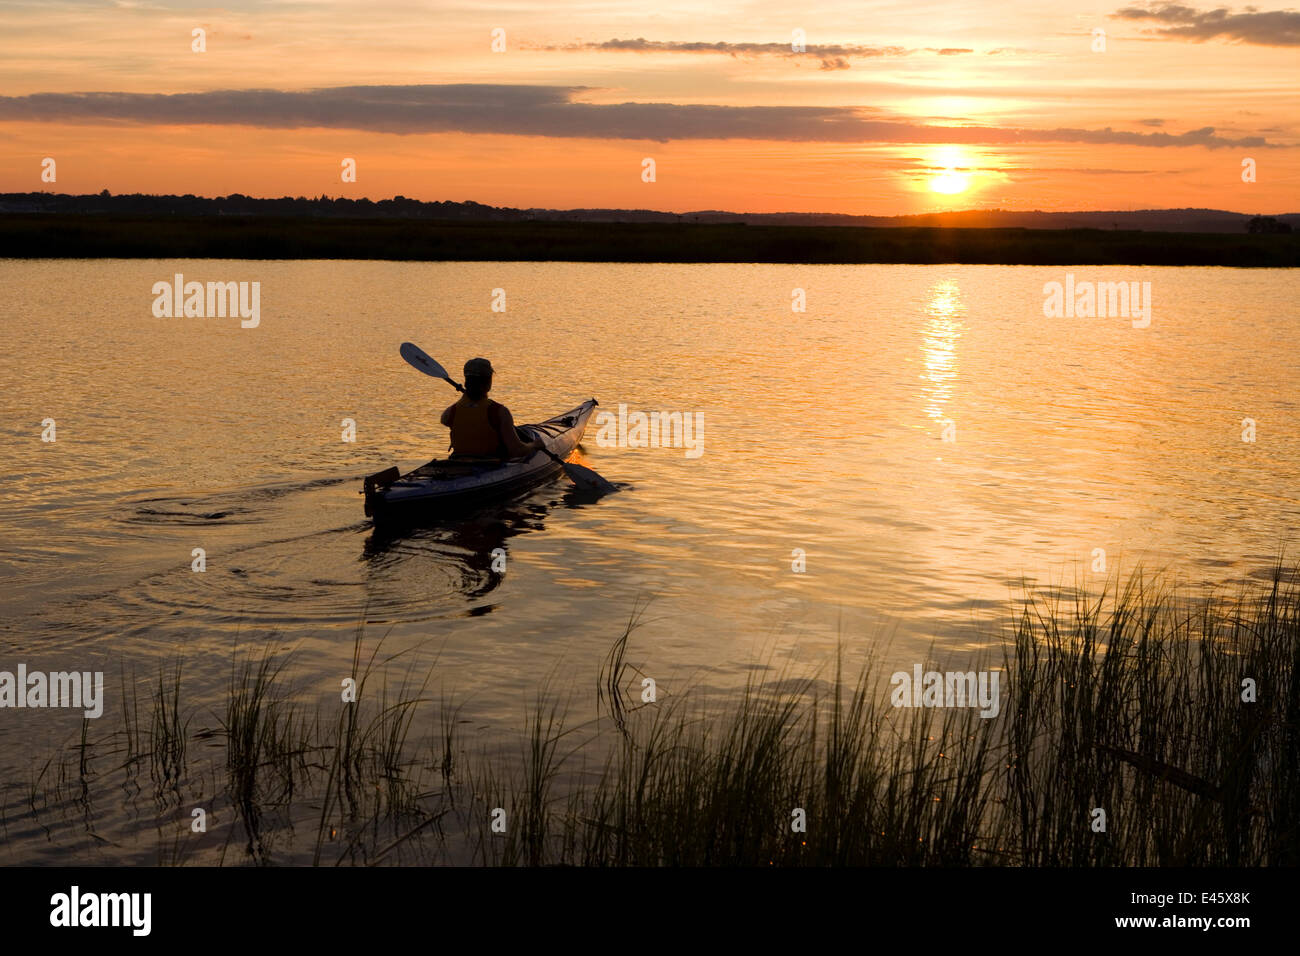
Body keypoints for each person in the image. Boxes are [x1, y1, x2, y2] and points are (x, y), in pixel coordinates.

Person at [440, 357, 544, 459]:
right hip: (489, 464)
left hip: (458, 464)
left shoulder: (450, 413)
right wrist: (534, 445)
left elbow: (467, 417)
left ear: (466, 382)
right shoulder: (500, 412)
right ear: (489, 382)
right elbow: (516, 451)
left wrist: (468, 398)